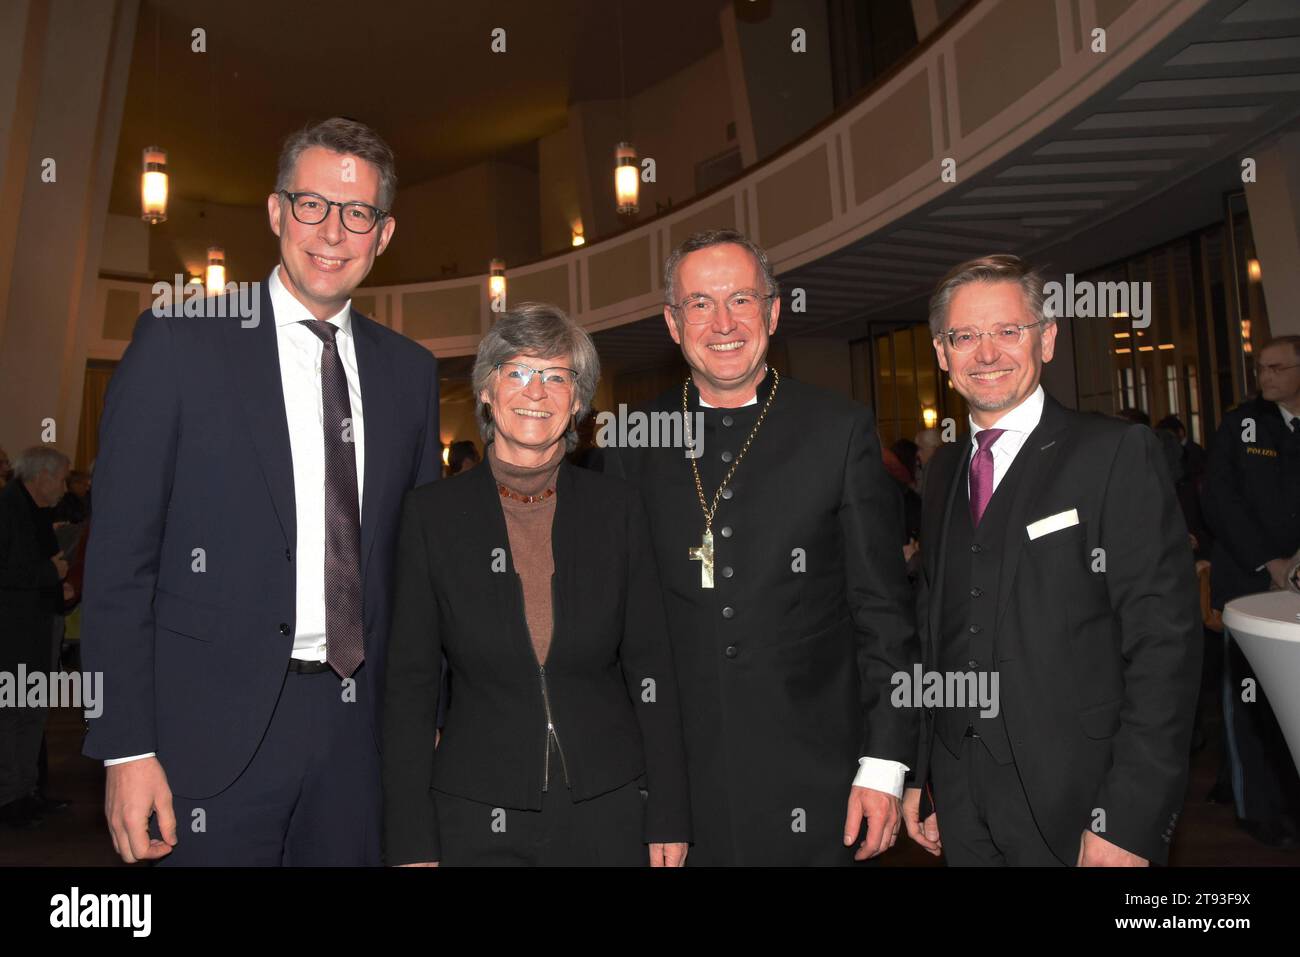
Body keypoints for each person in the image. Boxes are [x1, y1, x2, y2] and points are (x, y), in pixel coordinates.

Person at [81, 117, 440, 865]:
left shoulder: (409, 373)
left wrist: (422, 717)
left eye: (357, 213)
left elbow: (416, 569)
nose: (332, 232)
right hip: (202, 742)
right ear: (277, 212)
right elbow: (118, 566)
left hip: (357, 740)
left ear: (384, 233)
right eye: (312, 205)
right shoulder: (179, 342)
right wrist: (124, 746)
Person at [600, 229, 918, 865]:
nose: (723, 322)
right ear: (672, 321)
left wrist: (884, 764)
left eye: (742, 299)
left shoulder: (837, 428)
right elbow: (625, 631)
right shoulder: (631, 440)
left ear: (773, 312)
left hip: (820, 773)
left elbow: (882, 611)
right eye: (700, 303)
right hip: (681, 780)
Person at [902, 254, 1201, 866]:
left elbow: (1164, 646)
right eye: (965, 336)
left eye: (1008, 331)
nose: (987, 354)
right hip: (959, 792)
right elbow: (936, 631)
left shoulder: (1114, 452)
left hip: (1082, 794)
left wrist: (1130, 817)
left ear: (1047, 339)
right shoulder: (941, 475)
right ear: (942, 353)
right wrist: (922, 770)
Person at [383, 303, 691, 866]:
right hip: (476, 808)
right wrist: (410, 840)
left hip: (609, 805)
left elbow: (654, 668)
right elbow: (409, 686)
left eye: (556, 376)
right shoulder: (432, 516)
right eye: (518, 371)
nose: (537, 391)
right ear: (486, 389)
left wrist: (669, 810)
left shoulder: (617, 508)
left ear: (577, 402)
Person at [1201, 334, 1300, 848]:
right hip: (1250, 585)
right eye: (1261, 368)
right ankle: (1260, 812)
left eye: (1279, 368)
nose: (1266, 378)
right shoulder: (1243, 425)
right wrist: (1273, 562)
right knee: (1251, 701)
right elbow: (1220, 500)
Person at [0, 447, 69, 828]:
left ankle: (27, 792)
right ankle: (10, 798)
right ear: (40, 476)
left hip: (35, 629)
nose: (63, 487)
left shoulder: (33, 510)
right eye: (60, 478)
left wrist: (59, 587)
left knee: (32, 715)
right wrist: (49, 574)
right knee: (13, 717)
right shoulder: (8, 508)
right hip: (12, 636)